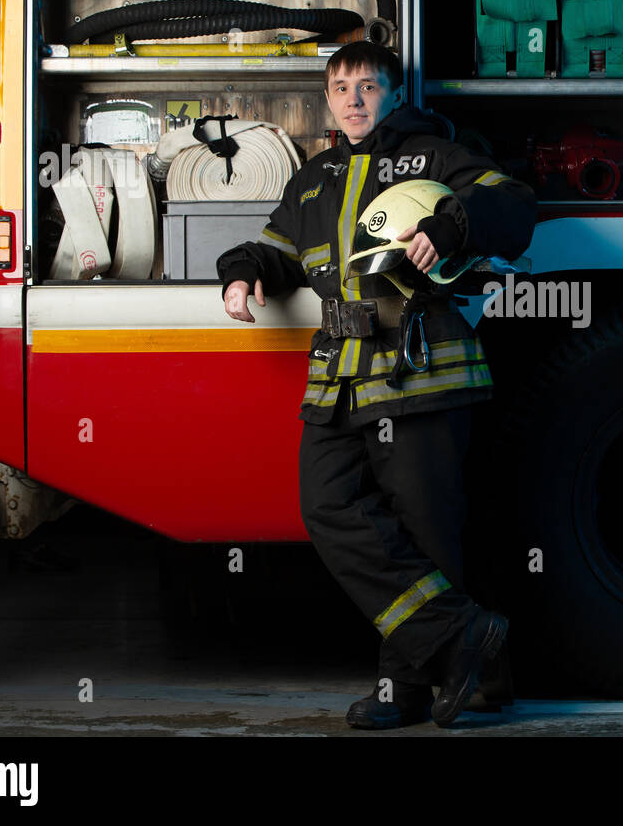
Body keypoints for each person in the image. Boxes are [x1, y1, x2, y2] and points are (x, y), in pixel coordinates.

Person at [216, 41, 536, 729]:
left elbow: (513, 207)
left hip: (418, 369)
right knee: (329, 509)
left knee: (425, 532)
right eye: (341, 87)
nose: (354, 98)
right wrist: (241, 271)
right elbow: (275, 251)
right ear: (327, 99)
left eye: (368, 86)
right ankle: (465, 637)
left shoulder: (433, 155)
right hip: (339, 378)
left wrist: (452, 226)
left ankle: (406, 688)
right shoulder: (312, 179)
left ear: (393, 93)